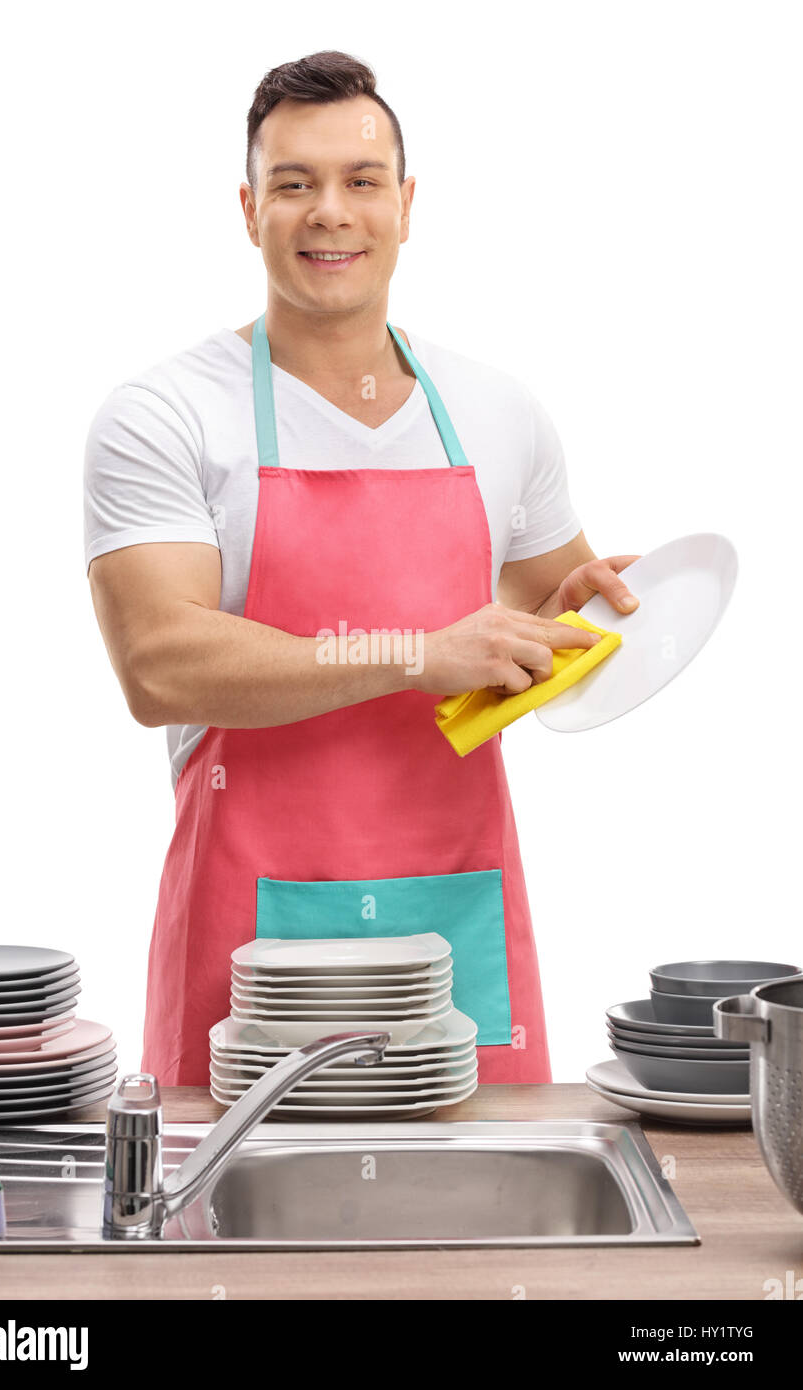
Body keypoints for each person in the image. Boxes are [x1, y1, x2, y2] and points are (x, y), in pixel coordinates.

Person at [84, 49, 639, 1086]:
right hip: (254, 944)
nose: (327, 211)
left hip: (455, 928)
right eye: (293, 184)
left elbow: (551, 624)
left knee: (482, 1235)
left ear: (405, 204)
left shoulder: (496, 409)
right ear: (248, 210)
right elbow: (159, 663)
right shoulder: (166, 414)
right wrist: (414, 652)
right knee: (240, 1239)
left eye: (359, 181)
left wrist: (579, 625)